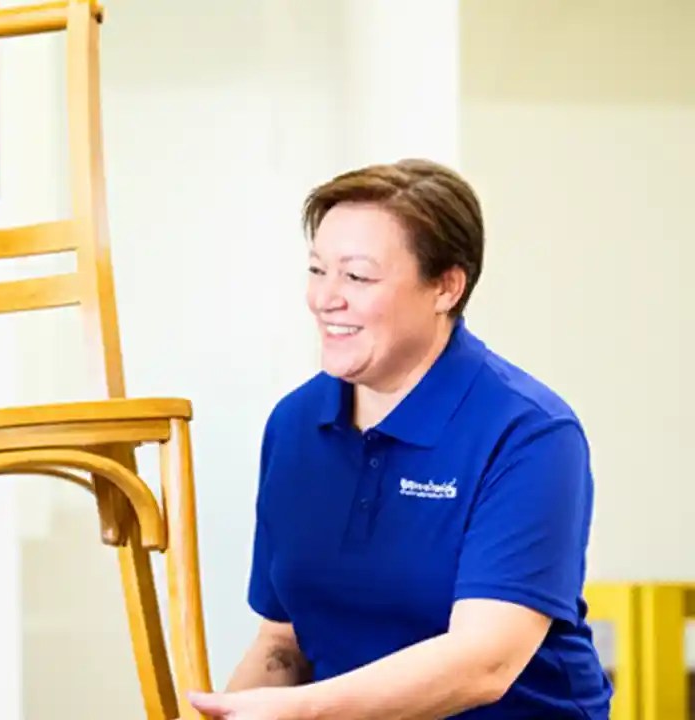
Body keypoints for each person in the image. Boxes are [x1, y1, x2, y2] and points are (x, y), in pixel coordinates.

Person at [186, 159, 611, 719]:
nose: (325, 298)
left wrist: (303, 714)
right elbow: (282, 644)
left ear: (445, 287)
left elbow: (483, 664)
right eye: (318, 270)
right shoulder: (295, 425)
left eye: (357, 277)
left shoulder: (528, 433)